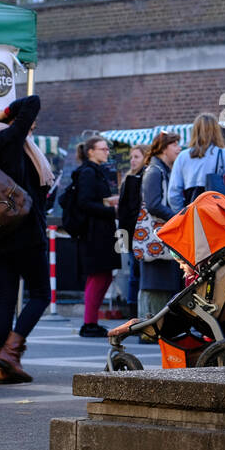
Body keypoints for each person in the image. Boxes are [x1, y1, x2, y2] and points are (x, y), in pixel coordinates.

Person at [0, 95, 51, 381]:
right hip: (25, 232)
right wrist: (4, 111)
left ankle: (2, 366)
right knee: (41, 294)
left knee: (6, 297)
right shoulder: (10, 139)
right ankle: (10, 352)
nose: (31, 126)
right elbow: (33, 101)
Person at [75, 136, 119, 337]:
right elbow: (84, 202)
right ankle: (89, 323)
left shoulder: (95, 172)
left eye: (107, 149)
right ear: (91, 151)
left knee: (104, 275)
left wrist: (107, 202)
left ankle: (91, 320)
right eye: (102, 149)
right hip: (94, 231)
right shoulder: (87, 173)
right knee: (98, 275)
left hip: (101, 229)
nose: (106, 152)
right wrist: (111, 209)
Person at [138, 131, 182, 321]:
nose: (179, 149)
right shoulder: (155, 171)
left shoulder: (162, 169)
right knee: (155, 283)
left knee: (162, 283)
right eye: (175, 145)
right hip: (157, 234)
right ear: (164, 148)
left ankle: (154, 326)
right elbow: (153, 204)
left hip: (162, 234)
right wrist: (177, 218)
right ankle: (149, 326)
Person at [167, 112, 225, 213]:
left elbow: (174, 194)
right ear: (216, 131)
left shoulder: (183, 157)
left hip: (193, 212)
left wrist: (182, 214)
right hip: (219, 212)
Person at [116, 145, 146, 319]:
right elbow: (125, 211)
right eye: (131, 157)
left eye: (136, 157)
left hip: (138, 233)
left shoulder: (143, 177)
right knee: (134, 274)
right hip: (131, 234)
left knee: (137, 273)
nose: (133, 160)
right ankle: (133, 310)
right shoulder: (129, 179)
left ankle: (135, 309)